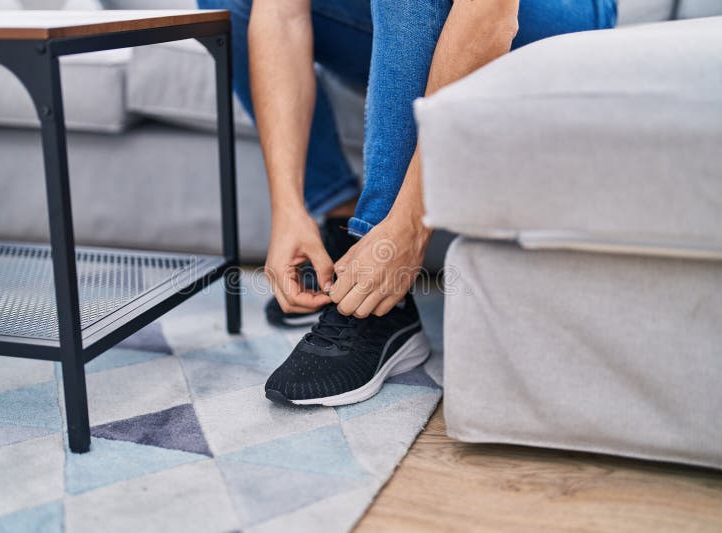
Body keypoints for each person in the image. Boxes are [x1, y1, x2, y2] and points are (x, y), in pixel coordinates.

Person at [197, 0, 617, 406]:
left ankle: (383, 290)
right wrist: (289, 211)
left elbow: (488, 13)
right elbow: (282, 14)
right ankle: (344, 231)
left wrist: (407, 228)